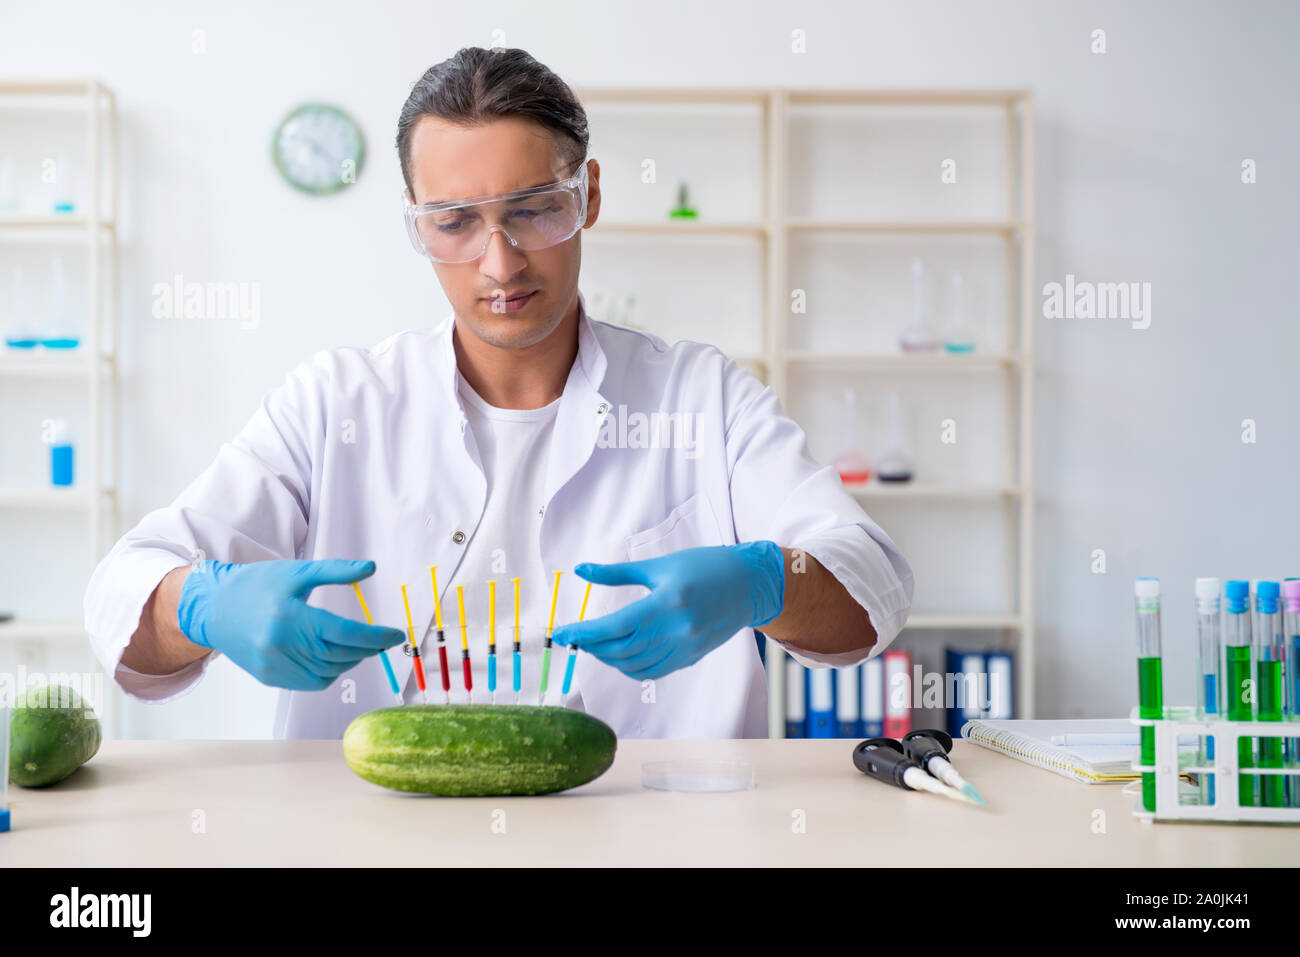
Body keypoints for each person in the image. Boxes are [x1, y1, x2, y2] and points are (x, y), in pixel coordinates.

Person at [83, 47, 913, 739]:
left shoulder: (704, 398)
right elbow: (123, 587)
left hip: (662, 838)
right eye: (454, 222)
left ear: (587, 194)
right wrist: (200, 607)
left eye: (533, 210)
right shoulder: (334, 405)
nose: (500, 262)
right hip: (367, 843)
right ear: (416, 222)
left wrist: (762, 583)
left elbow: (870, 583)